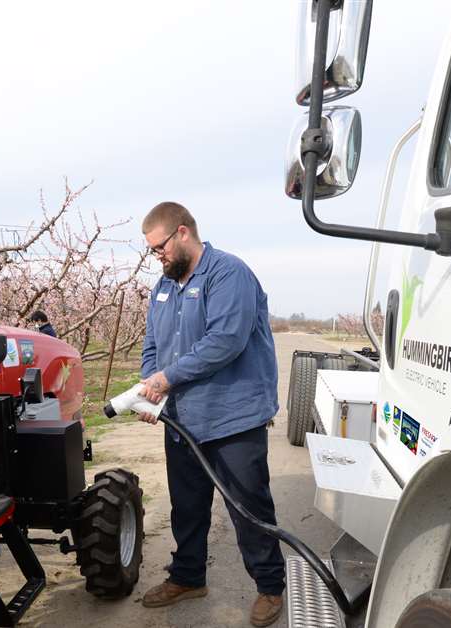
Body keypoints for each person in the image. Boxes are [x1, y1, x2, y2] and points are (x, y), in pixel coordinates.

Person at [136, 201, 284, 627]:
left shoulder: (228, 274)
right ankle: (187, 577)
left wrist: (166, 379)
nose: (157, 256)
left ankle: (270, 586)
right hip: (183, 420)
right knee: (187, 505)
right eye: (151, 250)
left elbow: (225, 341)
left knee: (248, 508)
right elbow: (152, 344)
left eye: (159, 247)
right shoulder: (164, 287)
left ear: (183, 233)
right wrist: (151, 390)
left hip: (232, 418)